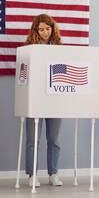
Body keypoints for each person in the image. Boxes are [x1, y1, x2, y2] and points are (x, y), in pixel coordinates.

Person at [21, 14, 66, 188]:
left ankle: (53, 173)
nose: (45, 32)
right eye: (41, 29)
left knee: (54, 139)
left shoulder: (59, 48)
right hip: (35, 99)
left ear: (53, 29)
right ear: (35, 30)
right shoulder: (29, 48)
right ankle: (32, 174)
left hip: (55, 98)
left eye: (48, 29)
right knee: (33, 140)